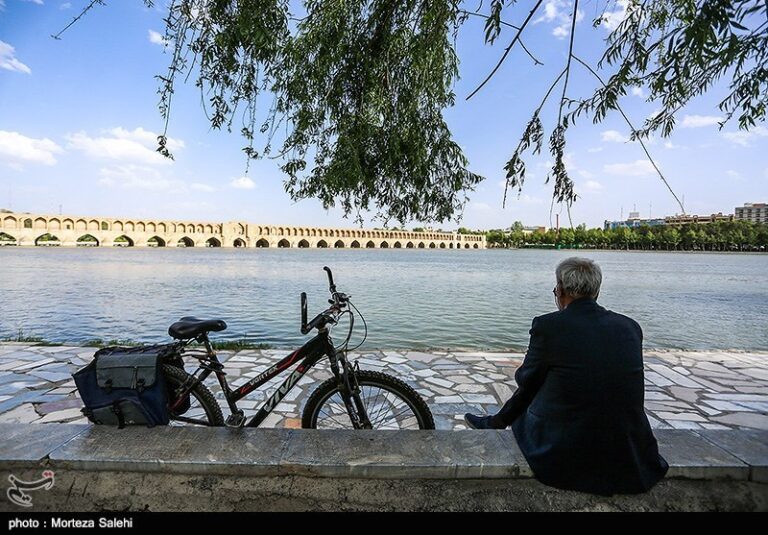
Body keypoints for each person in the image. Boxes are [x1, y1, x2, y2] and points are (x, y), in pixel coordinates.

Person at [464, 257, 668, 496]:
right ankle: (496, 421)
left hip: (567, 454)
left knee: (530, 402)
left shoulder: (548, 326)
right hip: (630, 452)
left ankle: (495, 422)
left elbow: (527, 381)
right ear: (597, 291)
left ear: (560, 290)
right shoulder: (630, 327)